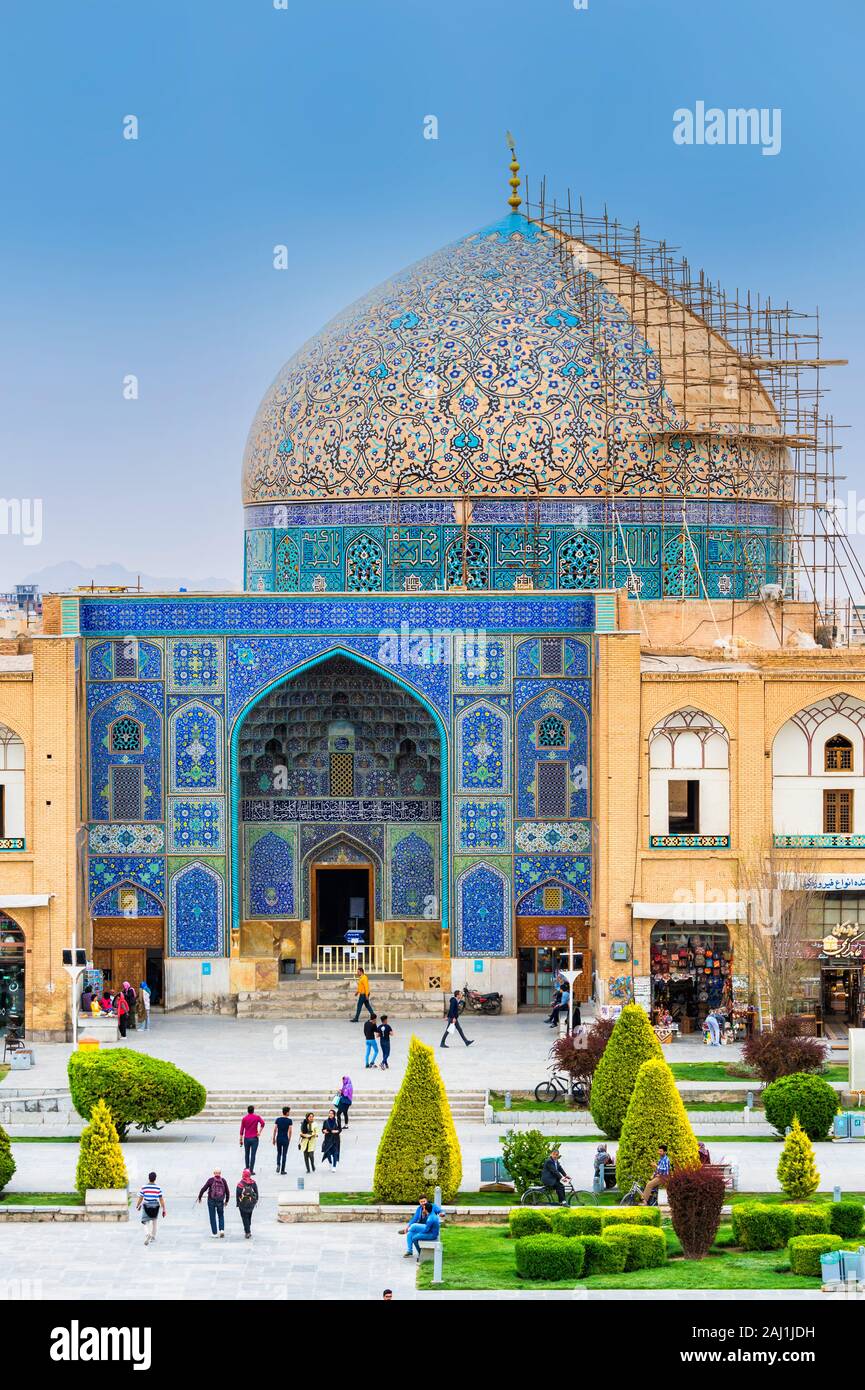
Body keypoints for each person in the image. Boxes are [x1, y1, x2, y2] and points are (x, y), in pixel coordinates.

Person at [197, 1168, 231, 1238]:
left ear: (214, 1173)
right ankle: (221, 1230)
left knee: (212, 1217)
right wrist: (226, 1201)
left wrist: (200, 1197)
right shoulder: (223, 1181)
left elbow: (203, 1189)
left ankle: (214, 1233)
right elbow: (227, 1192)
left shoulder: (211, 1180)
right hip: (220, 1201)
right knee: (221, 1215)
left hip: (211, 1200)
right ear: (220, 1173)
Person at [135, 1171, 165, 1246]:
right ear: (155, 1179)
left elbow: (141, 1198)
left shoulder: (144, 1187)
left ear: (148, 1178)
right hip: (155, 1205)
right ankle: (153, 1237)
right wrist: (164, 1209)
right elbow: (161, 1199)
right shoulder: (158, 1188)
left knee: (145, 1221)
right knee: (154, 1221)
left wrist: (138, 1205)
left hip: (146, 1205)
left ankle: (147, 1234)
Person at [239, 1104, 265, 1173]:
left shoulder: (244, 1118)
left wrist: (240, 1140)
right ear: (253, 1111)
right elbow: (263, 1123)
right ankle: (251, 1170)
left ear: (247, 1111)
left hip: (246, 1138)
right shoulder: (257, 1117)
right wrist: (259, 1132)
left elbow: (242, 1130)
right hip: (254, 1138)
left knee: (246, 1154)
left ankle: (247, 1169)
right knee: (253, 1154)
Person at [236, 1169, 259, 1239]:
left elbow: (238, 1194)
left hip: (242, 1204)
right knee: (249, 1216)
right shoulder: (253, 1183)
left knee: (244, 1217)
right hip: (251, 1204)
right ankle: (248, 1227)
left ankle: (247, 1231)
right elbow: (256, 1193)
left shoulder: (240, 1184)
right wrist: (255, 1201)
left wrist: (238, 1203)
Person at [273, 1106, 293, 1175]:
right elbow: (290, 1131)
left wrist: (273, 1138)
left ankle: (278, 1164)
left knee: (279, 1153)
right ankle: (282, 1170)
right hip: (285, 1139)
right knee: (284, 1154)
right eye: (289, 1112)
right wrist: (289, 1139)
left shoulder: (278, 1119)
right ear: (287, 1112)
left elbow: (275, 1129)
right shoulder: (289, 1121)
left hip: (278, 1138)